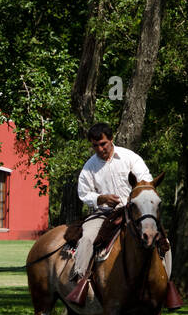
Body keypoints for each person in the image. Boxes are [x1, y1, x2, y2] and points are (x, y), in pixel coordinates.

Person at [69, 123, 171, 289]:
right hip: (104, 214)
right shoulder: (89, 167)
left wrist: (136, 197)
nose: (100, 149)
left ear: (111, 139)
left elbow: (146, 182)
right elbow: (84, 193)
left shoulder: (130, 158)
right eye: (95, 146)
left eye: (103, 144)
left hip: (134, 212)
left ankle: (166, 284)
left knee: (163, 241)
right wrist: (101, 198)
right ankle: (80, 283)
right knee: (87, 238)